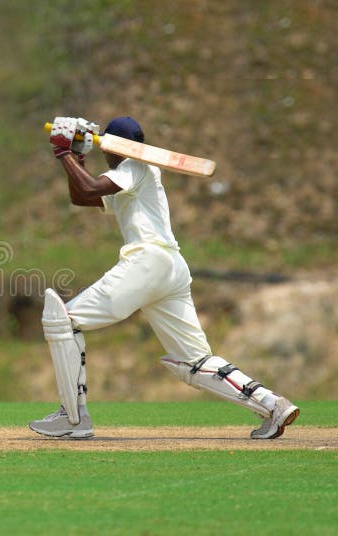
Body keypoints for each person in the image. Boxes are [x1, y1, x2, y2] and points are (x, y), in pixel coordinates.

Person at [29, 116, 298, 440]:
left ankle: (73, 420)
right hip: (171, 268)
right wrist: (76, 158)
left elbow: (88, 187)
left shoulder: (134, 166)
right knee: (194, 361)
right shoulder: (131, 176)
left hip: (148, 262)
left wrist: (63, 154)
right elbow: (82, 196)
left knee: (63, 321)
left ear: (113, 147)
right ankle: (272, 405)